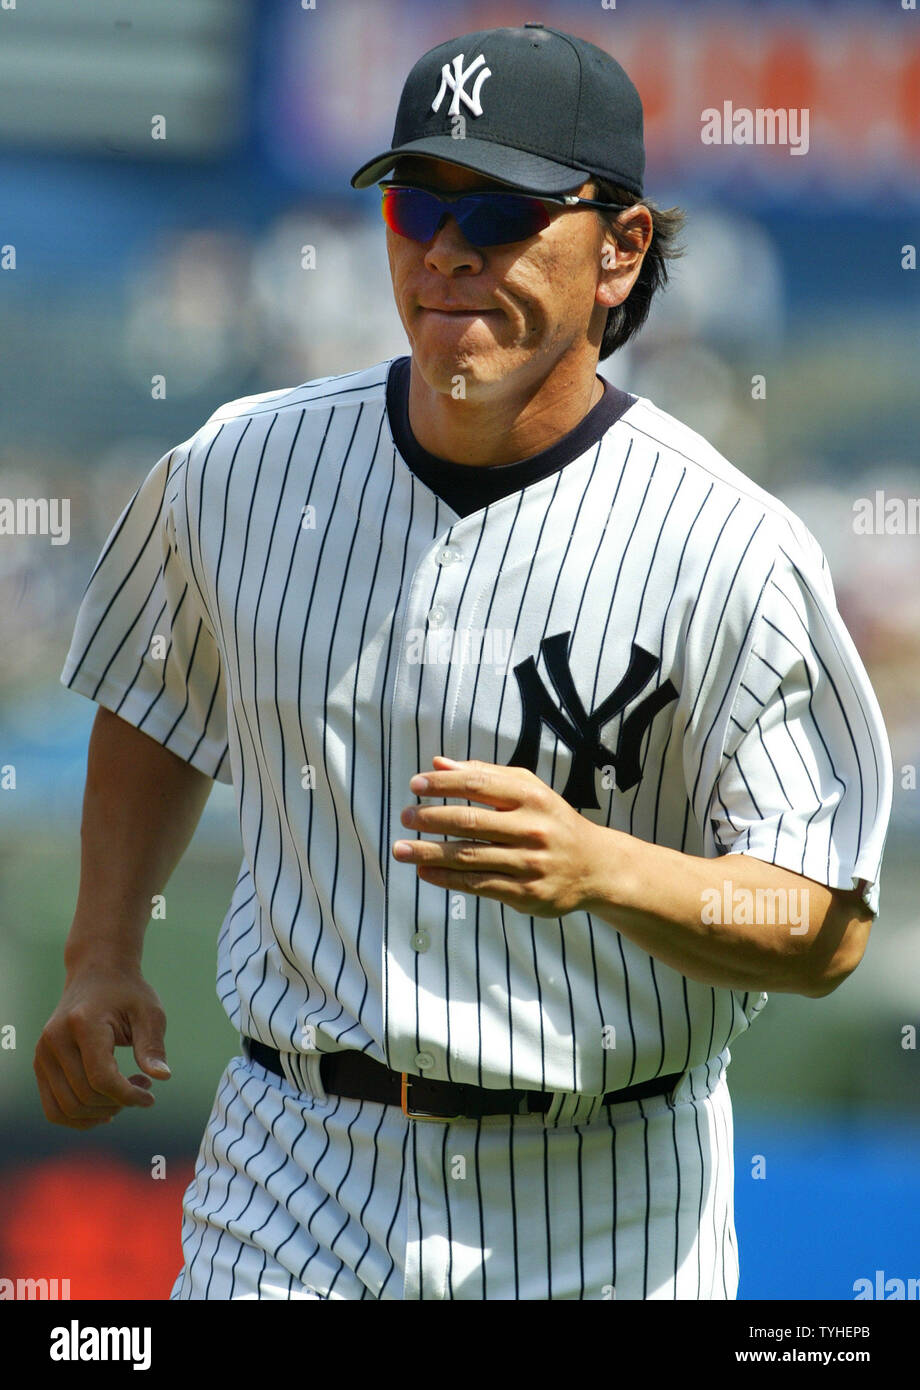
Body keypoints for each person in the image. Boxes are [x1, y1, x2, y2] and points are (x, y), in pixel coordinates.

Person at [36, 24, 892, 1300]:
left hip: (606, 1190)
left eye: (500, 210)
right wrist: (101, 948)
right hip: (296, 1167)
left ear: (621, 249)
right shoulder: (236, 471)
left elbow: (817, 920)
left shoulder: (729, 549)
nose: (447, 249)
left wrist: (604, 870)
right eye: (416, 202)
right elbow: (159, 693)